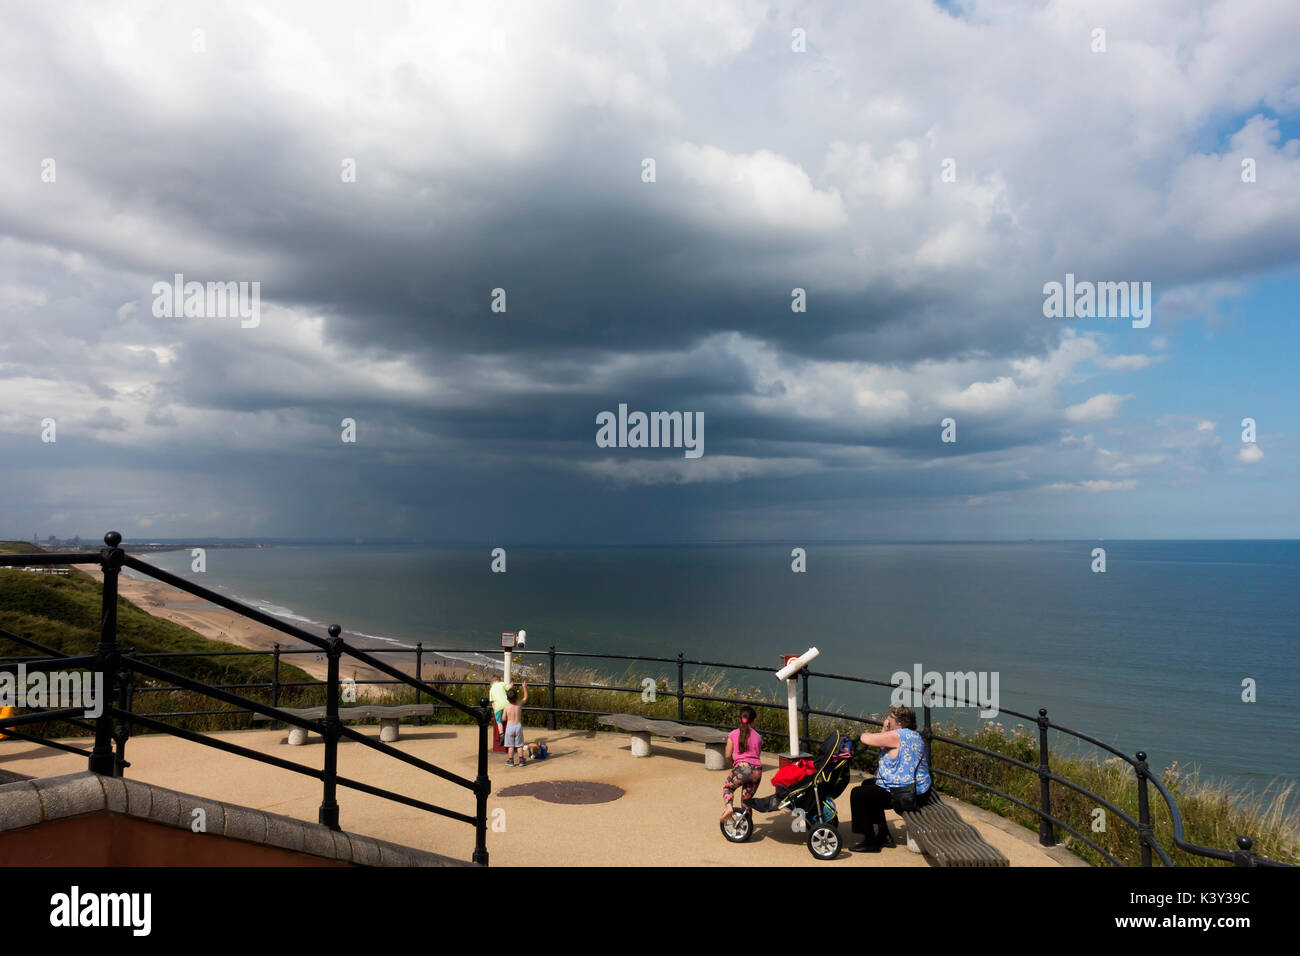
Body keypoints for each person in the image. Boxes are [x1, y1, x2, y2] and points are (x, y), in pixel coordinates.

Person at [848, 704, 932, 852]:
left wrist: (883, 727)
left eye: (890, 718)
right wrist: (887, 728)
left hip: (906, 795)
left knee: (858, 794)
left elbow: (866, 739)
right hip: (919, 791)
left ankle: (870, 841)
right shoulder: (913, 735)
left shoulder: (897, 736)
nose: (887, 720)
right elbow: (882, 745)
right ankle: (883, 833)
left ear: (899, 722)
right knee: (868, 784)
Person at [720, 706, 763, 822]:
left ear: (741, 719)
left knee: (728, 787)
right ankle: (745, 824)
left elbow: (728, 755)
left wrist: (734, 764)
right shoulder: (759, 737)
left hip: (742, 768)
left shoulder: (733, 734)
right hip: (757, 771)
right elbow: (757, 755)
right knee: (746, 800)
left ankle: (729, 807)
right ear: (753, 721)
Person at [503, 682, 529, 766]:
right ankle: (521, 760)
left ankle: (511, 761)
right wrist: (524, 687)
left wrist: (510, 687)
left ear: (507, 698)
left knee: (510, 745)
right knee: (519, 745)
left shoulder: (506, 707)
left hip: (510, 726)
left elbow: (503, 718)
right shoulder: (519, 704)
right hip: (518, 725)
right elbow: (525, 697)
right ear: (517, 697)